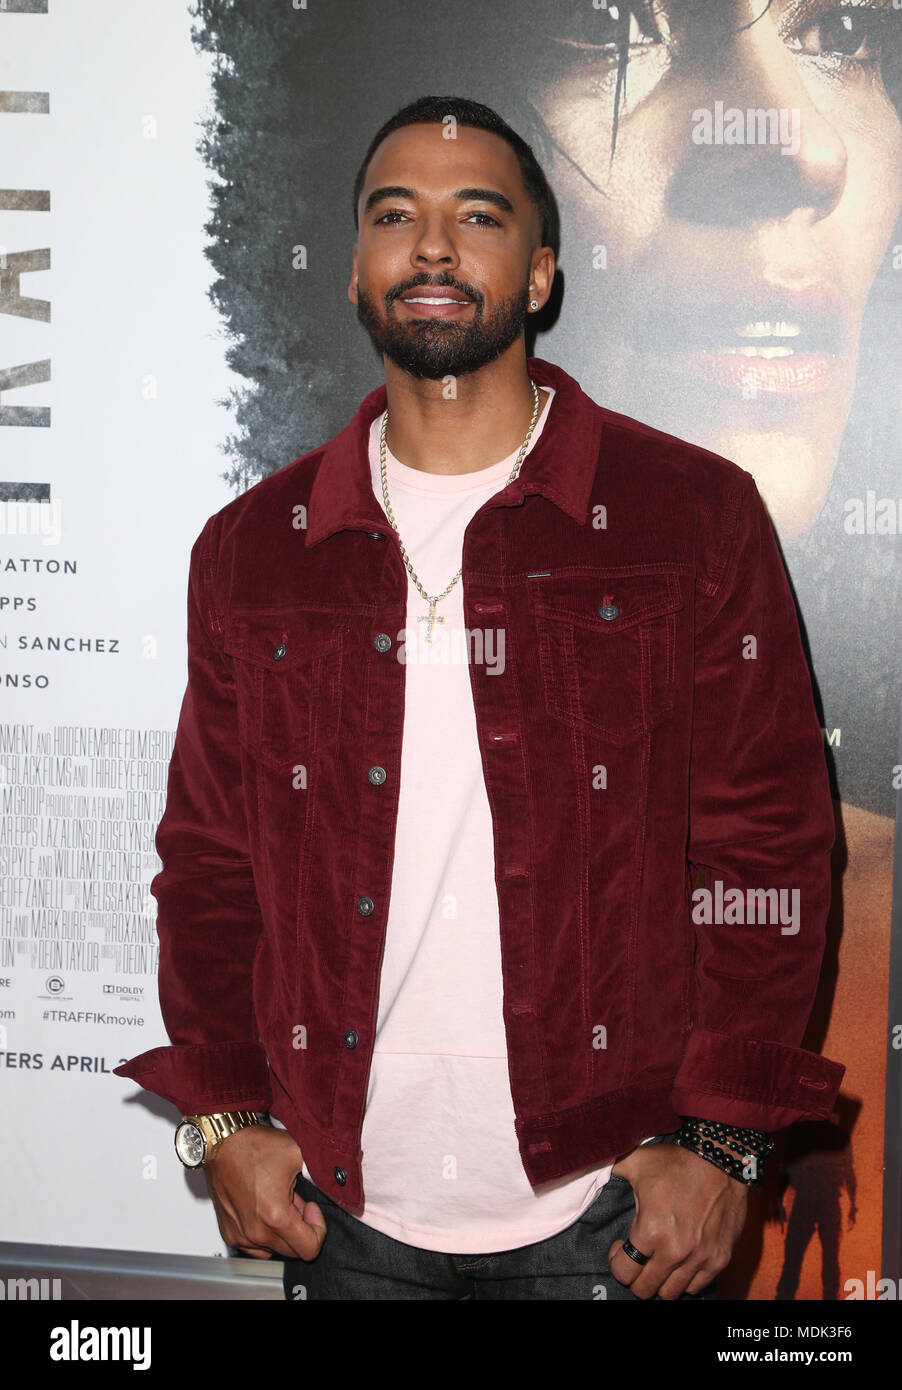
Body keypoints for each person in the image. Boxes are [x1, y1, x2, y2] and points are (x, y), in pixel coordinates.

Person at [114, 95, 845, 1301]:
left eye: (478, 216)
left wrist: (722, 1144)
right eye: (394, 216)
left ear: (542, 269)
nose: (434, 248)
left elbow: (765, 847)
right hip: (338, 1207)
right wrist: (225, 1117)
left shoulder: (688, 517)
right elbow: (207, 865)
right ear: (355, 269)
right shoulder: (253, 548)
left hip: (610, 1201)